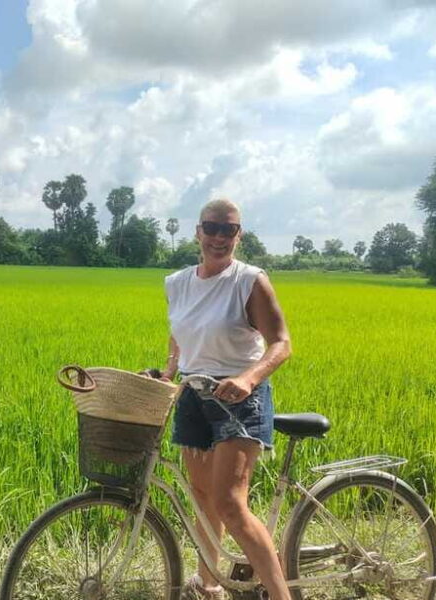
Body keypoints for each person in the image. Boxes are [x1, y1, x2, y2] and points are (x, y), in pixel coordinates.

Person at [161, 199, 292, 600]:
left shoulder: (249, 280)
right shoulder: (177, 282)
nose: (219, 237)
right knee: (203, 500)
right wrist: (167, 372)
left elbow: (281, 343)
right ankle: (211, 587)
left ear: (239, 234)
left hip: (238, 401)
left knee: (230, 504)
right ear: (197, 232)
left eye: (228, 229)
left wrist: (249, 379)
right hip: (193, 394)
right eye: (211, 228)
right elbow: (180, 336)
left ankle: (281, 595)